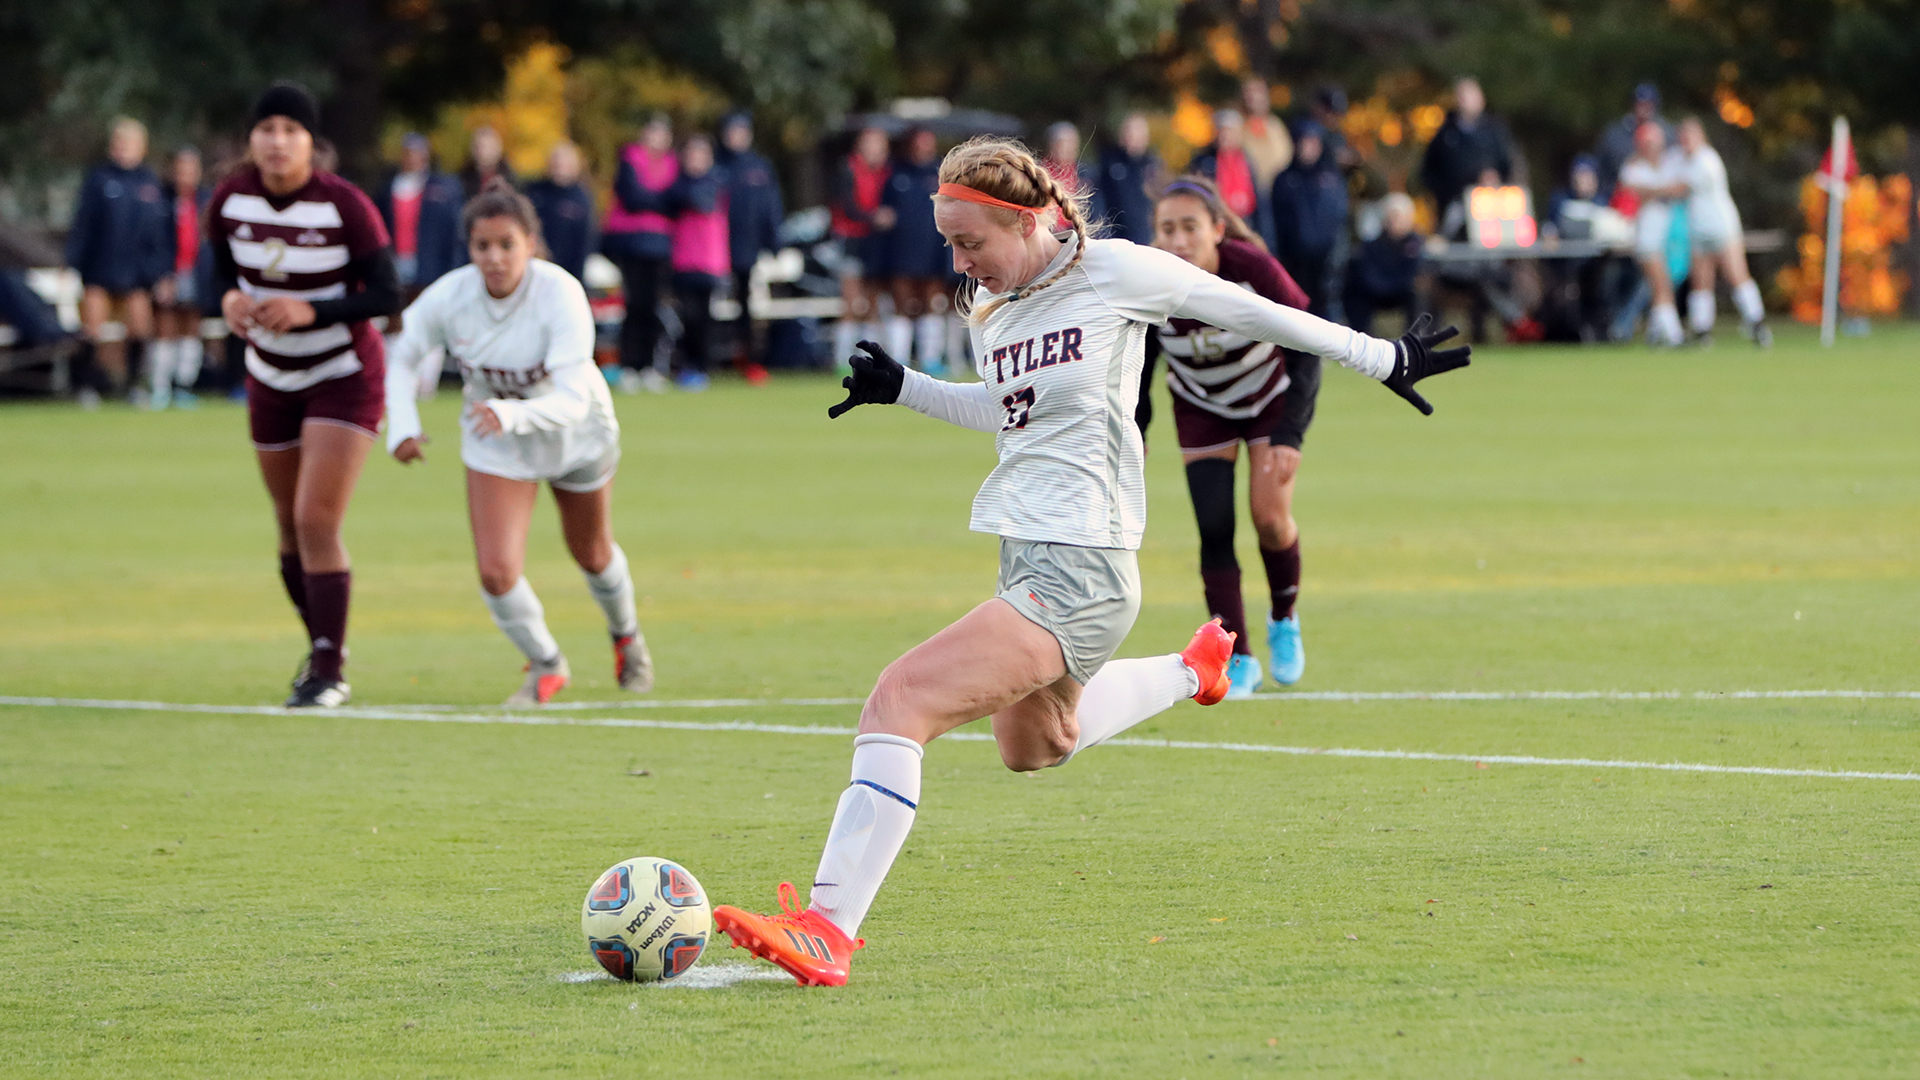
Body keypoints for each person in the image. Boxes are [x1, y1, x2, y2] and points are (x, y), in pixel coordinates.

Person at [709, 136, 1469, 987]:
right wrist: (905, 388)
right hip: (1026, 554)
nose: (960, 264)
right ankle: (1195, 672)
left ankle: (827, 926)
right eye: (950, 245)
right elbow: (1007, 412)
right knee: (1036, 745)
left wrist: (1382, 355)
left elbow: (1248, 309)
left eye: (972, 243)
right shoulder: (993, 309)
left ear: (1027, 219)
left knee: (900, 699)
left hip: (1080, 567)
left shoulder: (1114, 272)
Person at [385, 181, 654, 705]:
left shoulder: (559, 293)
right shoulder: (452, 295)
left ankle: (627, 636)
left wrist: (512, 412)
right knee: (496, 569)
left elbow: (574, 400)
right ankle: (546, 663)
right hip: (496, 437)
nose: (494, 258)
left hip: (574, 433)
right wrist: (402, 424)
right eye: (482, 246)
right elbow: (401, 355)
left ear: (531, 243)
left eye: (507, 244)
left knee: (592, 551)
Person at [209, 82, 402, 708]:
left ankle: (327, 672)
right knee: (288, 528)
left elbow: (386, 295)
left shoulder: (346, 205)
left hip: (343, 374)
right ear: (251, 139)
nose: (277, 141)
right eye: (267, 128)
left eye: (292, 129)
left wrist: (310, 310)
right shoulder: (230, 199)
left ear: (312, 144)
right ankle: (325, 645)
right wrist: (230, 300)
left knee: (315, 518)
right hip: (270, 377)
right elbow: (216, 270)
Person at [1137, 176, 1317, 695]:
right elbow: (1142, 359)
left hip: (1269, 401)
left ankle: (1284, 617)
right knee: (1214, 527)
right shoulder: (1150, 280)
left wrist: (1290, 433)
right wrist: (1139, 427)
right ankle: (1236, 656)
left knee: (1270, 518)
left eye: (1190, 227)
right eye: (1166, 228)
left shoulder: (1251, 269)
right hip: (1201, 408)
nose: (1177, 240)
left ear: (1218, 229)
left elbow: (1308, 342)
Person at [65, 116, 169, 406]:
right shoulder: (99, 179)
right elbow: (83, 223)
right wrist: (72, 260)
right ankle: (86, 387)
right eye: (119, 143)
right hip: (99, 267)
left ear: (141, 147)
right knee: (92, 328)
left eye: (130, 144)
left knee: (139, 328)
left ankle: (134, 387)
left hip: (137, 271)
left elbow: (158, 233)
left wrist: (161, 270)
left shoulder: (148, 182)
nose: (123, 149)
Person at [1673, 117, 1771, 347]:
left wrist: (1648, 189)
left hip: (1721, 227)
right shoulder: (1682, 160)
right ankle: (1701, 330)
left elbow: (1678, 188)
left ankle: (1757, 322)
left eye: (1690, 136)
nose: (1686, 141)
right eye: (1683, 137)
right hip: (1698, 229)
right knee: (1701, 281)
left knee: (1736, 275)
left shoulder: (1706, 160)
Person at [605, 115, 678, 389]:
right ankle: (629, 366)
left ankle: (650, 366)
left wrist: (657, 200)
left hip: (661, 244)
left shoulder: (672, 164)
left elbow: (676, 198)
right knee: (633, 305)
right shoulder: (630, 160)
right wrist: (660, 200)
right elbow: (633, 197)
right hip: (632, 242)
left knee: (653, 307)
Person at [877, 127, 951, 373]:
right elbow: (885, 213)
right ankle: (899, 360)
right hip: (903, 251)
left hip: (935, 249)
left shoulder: (941, 174)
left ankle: (931, 359)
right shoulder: (897, 175)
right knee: (902, 303)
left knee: (932, 304)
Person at [716, 112, 784, 376]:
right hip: (715, 249)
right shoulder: (717, 165)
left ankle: (751, 359)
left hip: (747, 248)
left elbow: (771, 207)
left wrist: (774, 241)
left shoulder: (759, 167)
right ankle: (709, 360)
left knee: (748, 306)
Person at [150, 146, 216, 409]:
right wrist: (161, 274)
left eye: (191, 169)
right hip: (170, 272)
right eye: (181, 169)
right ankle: (159, 387)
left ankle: (184, 385)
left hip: (196, 272)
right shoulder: (159, 200)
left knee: (191, 328)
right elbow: (152, 242)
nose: (185, 175)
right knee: (165, 327)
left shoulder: (205, 200)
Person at [1618, 122, 1688, 346]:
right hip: (1647, 237)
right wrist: (1662, 189)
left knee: (1662, 285)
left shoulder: (1670, 164)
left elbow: (1681, 189)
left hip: (1669, 237)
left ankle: (1656, 334)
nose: (1654, 148)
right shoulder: (1633, 168)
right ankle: (1674, 336)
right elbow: (1634, 192)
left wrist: (1655, 190)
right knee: (1661, 285)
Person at [829, 125, 894, 367]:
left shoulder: (888, 173)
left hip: (876, 243)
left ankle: (870, 357)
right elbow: (847, 206)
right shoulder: (848, 169)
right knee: (851, 301)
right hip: (852, 240)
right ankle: (842, 359)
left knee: (873, 301)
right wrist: (873, 218)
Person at [669, 134, 729, 391]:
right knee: (687, 317)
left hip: (710, 263)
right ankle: (686, 366)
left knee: (705, 318)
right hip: (684, 261)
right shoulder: (677, 186)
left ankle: (702, 367)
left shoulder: (717, 183)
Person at [1270, 120, 1348, 317]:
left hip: (1326, 261)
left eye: (1313, 143)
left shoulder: (1331, 178)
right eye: (1303, 142)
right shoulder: (1284, 179)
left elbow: (1339, 219)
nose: (1308, 148)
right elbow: (1276, 221)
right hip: (1295, 261)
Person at [377, 133, 466, 298]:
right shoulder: (389, 188)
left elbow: (453, 231)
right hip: (397, 261)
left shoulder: (442, 188)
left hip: (429, 265)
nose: (412, 158)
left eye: (418, 153)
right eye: (408, 153)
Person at [1419, 78, 1514, 230]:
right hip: (1455, 206)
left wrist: (1495, 179)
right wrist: (1446, 194)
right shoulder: (1445, 134)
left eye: (1471, 96)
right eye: (1462, 96)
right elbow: (1429, 170)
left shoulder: (1495, 130)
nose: (1466, 101)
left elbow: (1507, 164)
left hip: (1490, 209)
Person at [1343, 193, 1424, 335]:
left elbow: (1414, 272)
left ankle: (1416, 340)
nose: (1393, 221)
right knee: (1355, 293)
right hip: (1373, 291)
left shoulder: (1416, 244)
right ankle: (1360, 340)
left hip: (1402, 290)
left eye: (1397, 217)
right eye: (1390, 217)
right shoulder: (1371, 245)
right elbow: (1365, 271)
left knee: (1419, 294)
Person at [1190, 110, 1271, 249]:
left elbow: (1259, 202)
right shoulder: (1203, 161)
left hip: (1245, 224)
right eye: (1221, 131)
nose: (1225, 136)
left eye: (1229, 131)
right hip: (1218, 227)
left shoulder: (1247, 160)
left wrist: (1265, 237)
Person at [524, 141, 596, 285]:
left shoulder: (581, 198)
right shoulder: (535, 191)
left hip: (567, 268)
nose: (559, 167)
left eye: (564, 163)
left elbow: (586, 242)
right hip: (535, 266)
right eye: (556, 162)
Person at [1594, 84, 1675, 202]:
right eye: (1640, 103)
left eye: (1649, 104)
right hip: (1621, 200)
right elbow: (1601, 168)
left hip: (1660, 204)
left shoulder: (1668, 134)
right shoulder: (1614, 134)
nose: (1644, 108)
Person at [1096, 113, 1163, 244]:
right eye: (1128, 132)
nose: (1131, 136)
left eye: (1136, 132)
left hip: (1146, 234)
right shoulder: (1109, 162)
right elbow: (1100, 197)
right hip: (1116, 235)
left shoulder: (1152, 164)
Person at [1240, 77, 1294, 210]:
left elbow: (1286, 157)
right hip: (1245, 197)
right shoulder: (1237, 127)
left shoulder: (1275, 127)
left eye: (1257, 92)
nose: (1252, 98)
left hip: (1275, 194)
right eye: (1248, 93)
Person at [458, 125, 516, 199]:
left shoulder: (509, 179)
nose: (481, 151)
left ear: (497, 148)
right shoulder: (463, 178)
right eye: (477, 146)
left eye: (486, 146)